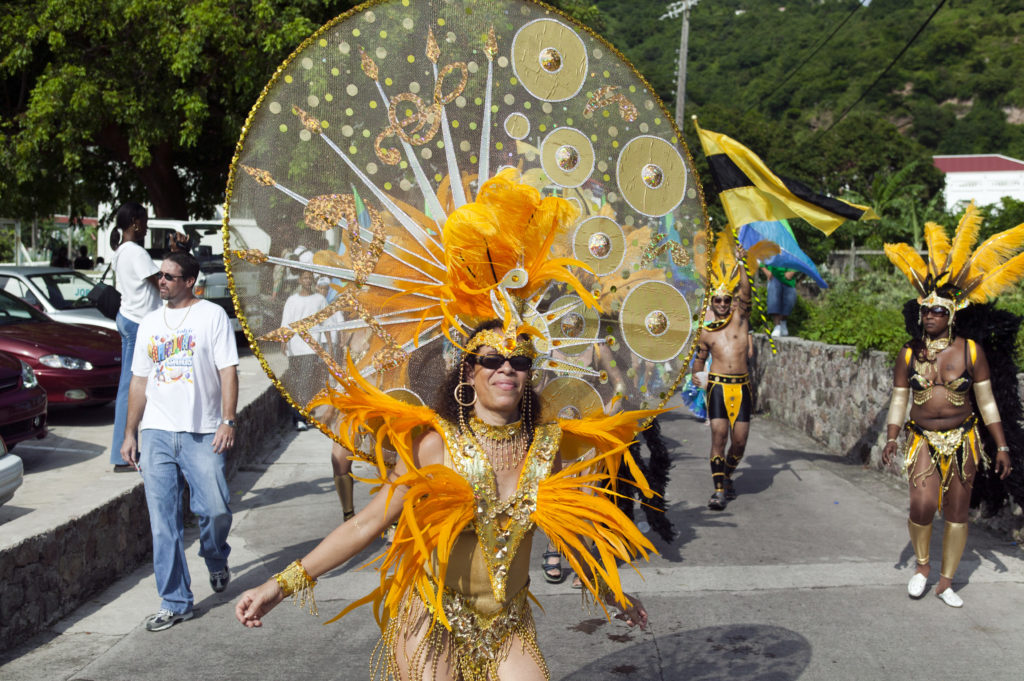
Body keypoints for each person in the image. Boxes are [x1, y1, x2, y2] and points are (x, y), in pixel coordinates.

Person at [234, 171, 661, 681]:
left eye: (519, 360)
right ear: (468, 373)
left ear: (531, 373)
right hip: (432, 617)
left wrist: (613, 594)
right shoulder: (438, 444)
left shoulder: (547, 447)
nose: (506, 367)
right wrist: (278, 586)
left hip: (507, 623)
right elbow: (367, 524)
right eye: (490, 359)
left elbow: (572, 533)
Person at [881, 203, 1019, 608]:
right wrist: (892, 436)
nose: (929, 316)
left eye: (937, 311)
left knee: (958, 511)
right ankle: (922, 567)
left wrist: (1003, 446)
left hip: (964, 440)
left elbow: (988, 402)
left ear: (951, 314)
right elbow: (900, 398)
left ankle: (945, 581)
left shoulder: (971, 351)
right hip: (922, 437)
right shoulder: (908, 353)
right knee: (922, 504)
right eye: (925, 310)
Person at [121, 252, 239, 631]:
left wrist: (227, 420)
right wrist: (130, 432)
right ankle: (175, 600)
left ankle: (215, 554)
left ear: (190, 281)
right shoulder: (149, 323)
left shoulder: (212, 316)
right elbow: (139, 381)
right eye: (161, 275)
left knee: (216, 508)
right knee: (162, 522)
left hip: (203, 431)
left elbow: (228, 371)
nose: (162, 282)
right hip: (156, 432)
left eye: (170, 277)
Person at [692, 230, 777, 510]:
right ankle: (718, 490)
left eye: (726, 300)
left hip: (742, 386)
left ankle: (726, 476)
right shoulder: (706, 331)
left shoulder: (740, 319)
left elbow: (746, 293)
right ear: (711, 303)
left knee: (739, 443)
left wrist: (741, 263)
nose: (722, 304)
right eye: (717, 301)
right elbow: (700, 358)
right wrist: (696, 372)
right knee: (719, 434)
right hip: (717, 385)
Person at [109, 202, 161, 472]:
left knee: (130, 388)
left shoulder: (121, 251)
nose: (148, 225)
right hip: (138, 324)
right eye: (145, 220)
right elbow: (161, 283)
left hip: (128, 319)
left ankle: (127, 451)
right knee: (131, 390)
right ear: (135, 223)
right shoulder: (136, 253)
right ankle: (123, 454)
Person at [280, 270, 330, 431]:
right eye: (305, 277)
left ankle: (300, 417)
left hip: (311, 347)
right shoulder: (292, 300)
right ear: (300, 280)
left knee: (306, 382)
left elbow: (326, 323)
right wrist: (284, 342)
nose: (308, 280)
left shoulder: (320, 299)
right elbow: (286, 322)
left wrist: (328, 345)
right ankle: (299, 416)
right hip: (295, 347)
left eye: (310, 278)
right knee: (296, 383)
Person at [761, 265, 798, 337]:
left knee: (790, 301)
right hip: (774, 277)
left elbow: (797, 261)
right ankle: (777, 326)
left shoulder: (792, 253)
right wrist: (766, 272)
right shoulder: (770, 253)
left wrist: (792, 271)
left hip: (788, 280)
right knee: (774, 300)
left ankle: (783, 322)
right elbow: (760, 260)